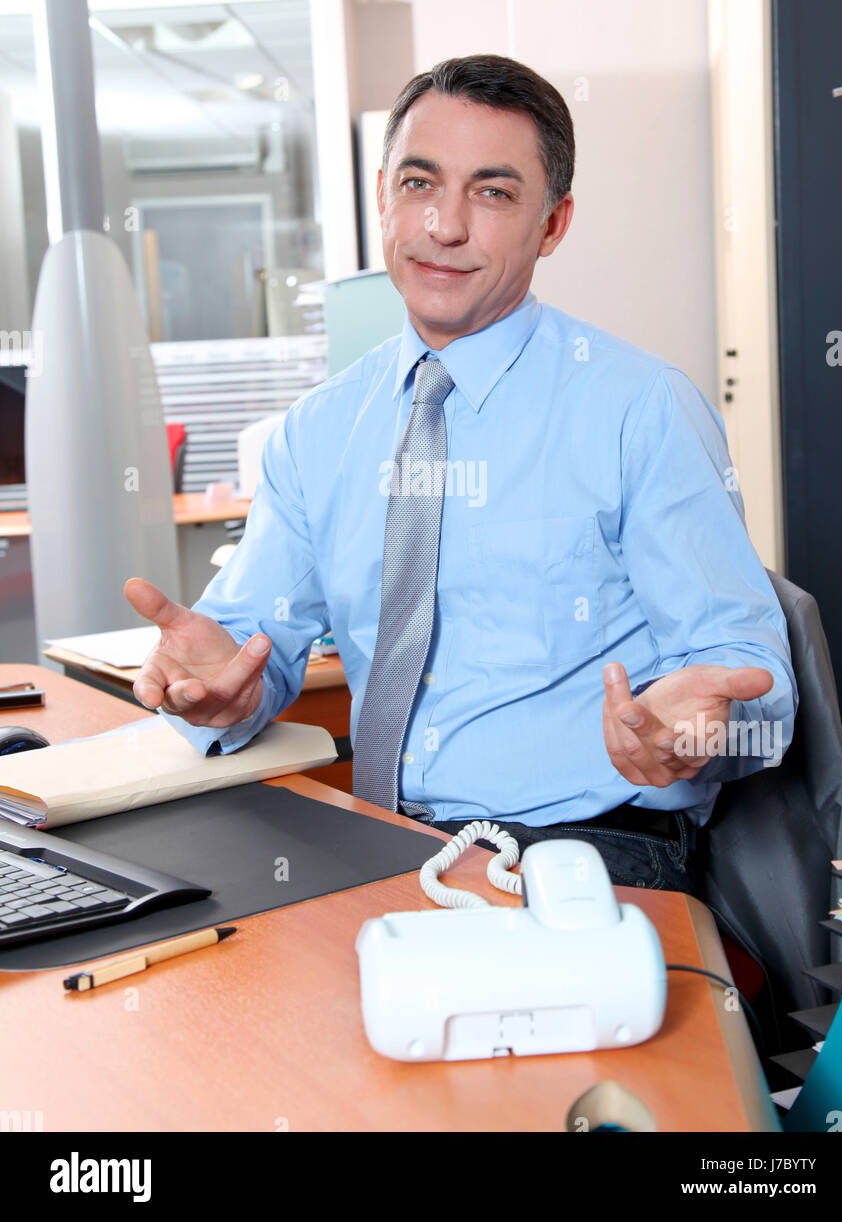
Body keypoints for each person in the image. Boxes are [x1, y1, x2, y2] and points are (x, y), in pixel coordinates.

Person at [124, 53, 797, 896]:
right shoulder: (319, 430)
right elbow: (248, 650)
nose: (444, 225)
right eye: (418, 183)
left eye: (493, 192)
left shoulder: (641, 409)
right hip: (379, 842)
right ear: (382, 198)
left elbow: (754, 685)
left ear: (553, 225)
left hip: (583, 850)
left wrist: (707, 726)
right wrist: (216, 688)